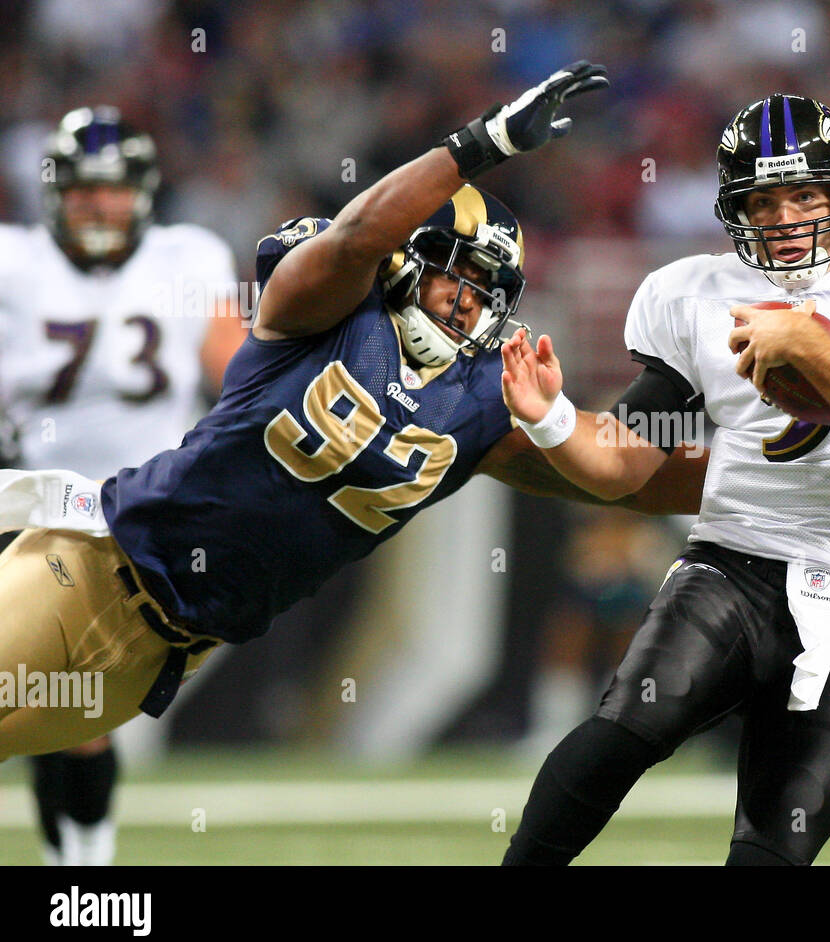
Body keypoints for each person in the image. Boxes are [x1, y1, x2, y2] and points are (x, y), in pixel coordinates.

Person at [0, 62, 705, 764]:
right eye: (456, 274)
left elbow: (625, 474)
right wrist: (483, 144)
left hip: (165, 657)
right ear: (409, 260)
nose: (470, 301)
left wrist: (777, 477)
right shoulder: (328, 312)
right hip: (89, 571)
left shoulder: (481, 405)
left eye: (490, 290)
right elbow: (357, 237)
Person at [498, 93, 830, 865]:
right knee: (624, 732)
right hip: (729, 564)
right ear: (736, 210)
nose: (788, 215)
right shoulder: (694, 293)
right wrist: (550, 417)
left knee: (774, 844)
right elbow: (624, 464)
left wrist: (806, 341)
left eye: (806, 194)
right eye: (763, 200)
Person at [0, 106, 243, 865]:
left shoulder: (187, 258)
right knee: (48, 707)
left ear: (142, 192)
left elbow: (238, 377)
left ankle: (85, 869)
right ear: (54, 197)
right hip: (21, 505)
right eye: (82, 192)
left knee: (75, 709)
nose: (98, 206)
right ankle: (81, 867)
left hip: (131, 519)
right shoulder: (13, 264)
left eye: (111, 190)